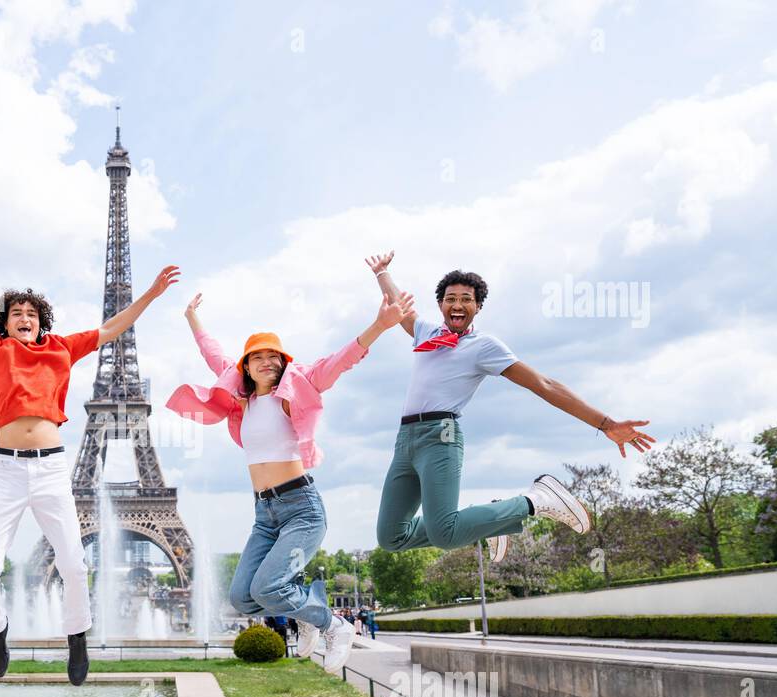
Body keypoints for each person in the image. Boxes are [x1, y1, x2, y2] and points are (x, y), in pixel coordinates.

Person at [0, 207, 179, 685]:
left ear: (42, 321)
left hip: (51, 468)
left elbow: (112, 329)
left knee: (73, 563)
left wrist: (149, 293)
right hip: (5, 468)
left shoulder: (62, 347)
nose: (23, 318)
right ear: (6, 323)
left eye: (31, 313)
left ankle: (77, 636)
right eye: (16, 313)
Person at [166, 290, 416, 671]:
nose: (266, 361)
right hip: (264, 514)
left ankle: (336, 625)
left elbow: (340, 361)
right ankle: (303, 609)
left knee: (267, 587)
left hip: (301, 509)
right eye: (257, 356)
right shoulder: (241, 401)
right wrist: (191, 318)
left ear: (283, 364)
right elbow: (213, 355)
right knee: (241, 597)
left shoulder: (298, 389)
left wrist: (381, 324)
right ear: (246, 367)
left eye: (274, 356)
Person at [365, 252, 655, 563]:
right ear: (441, 305)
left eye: (466, 299)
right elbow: (399, 307)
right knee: (392, 536)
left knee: (445, 534)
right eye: (451, 299)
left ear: (478, 307)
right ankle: (489, 524)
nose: (458, 305)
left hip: (441, 435)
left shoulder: (484, 347)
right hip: (405, 439)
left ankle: (533, 501)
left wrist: (606, 423)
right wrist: (382, 273)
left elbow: (543, 385)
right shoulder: (427, 333)